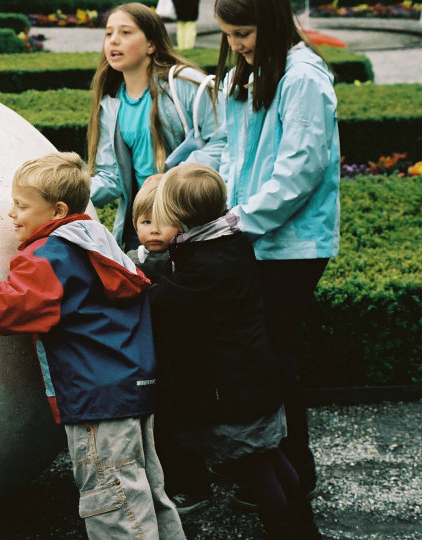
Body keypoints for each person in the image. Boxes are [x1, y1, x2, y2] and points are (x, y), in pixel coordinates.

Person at [0, 151, 186, 540]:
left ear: (57, 210)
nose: (11, 214)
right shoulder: (94, 237)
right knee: (144, 496)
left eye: (21, 205)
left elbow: (8, 310)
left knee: (113, 506)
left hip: (95, 400)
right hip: (129, 390)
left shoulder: (50, 256)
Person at [144, 162, 321, 539]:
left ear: (177, 215)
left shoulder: (203, 267)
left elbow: (160, 301)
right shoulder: (230, 240)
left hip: (236, 390)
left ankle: (284, 530)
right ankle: (301, 523)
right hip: (257, 378)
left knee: (256, 468)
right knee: (271, 455)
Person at [213, 0, 340, 509]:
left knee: (274, 356)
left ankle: (295, 473)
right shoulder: (246, 72)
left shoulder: (304, 75)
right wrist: (210, 204)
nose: (237, 44)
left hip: (294, 243)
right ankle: (274, 467)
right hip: (254, 234)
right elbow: (228, 149)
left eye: (243, 32)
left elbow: (301, 169)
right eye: (229, 35)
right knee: (261, 357)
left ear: (270, 21)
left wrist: (237, 221)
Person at [88, 1, 223, 250]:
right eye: (109, 33)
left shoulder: (183, 83)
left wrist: (176, 178)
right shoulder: (111, 102)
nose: (113, 41)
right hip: (142, 230)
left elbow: (223, 141)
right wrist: (65, 193)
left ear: (151, 44)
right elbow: (112, 177)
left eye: (125, 32)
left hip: (189, 224)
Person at [126, 179, 214, 515]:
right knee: (157, 427)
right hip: (148, 357)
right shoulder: (132, 257)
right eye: (146, 222)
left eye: (163, 222)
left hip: (179, 359)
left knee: (181, 427)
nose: (154, 231)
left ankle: (193, 486)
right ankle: (166, 482)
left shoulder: (182, 262)